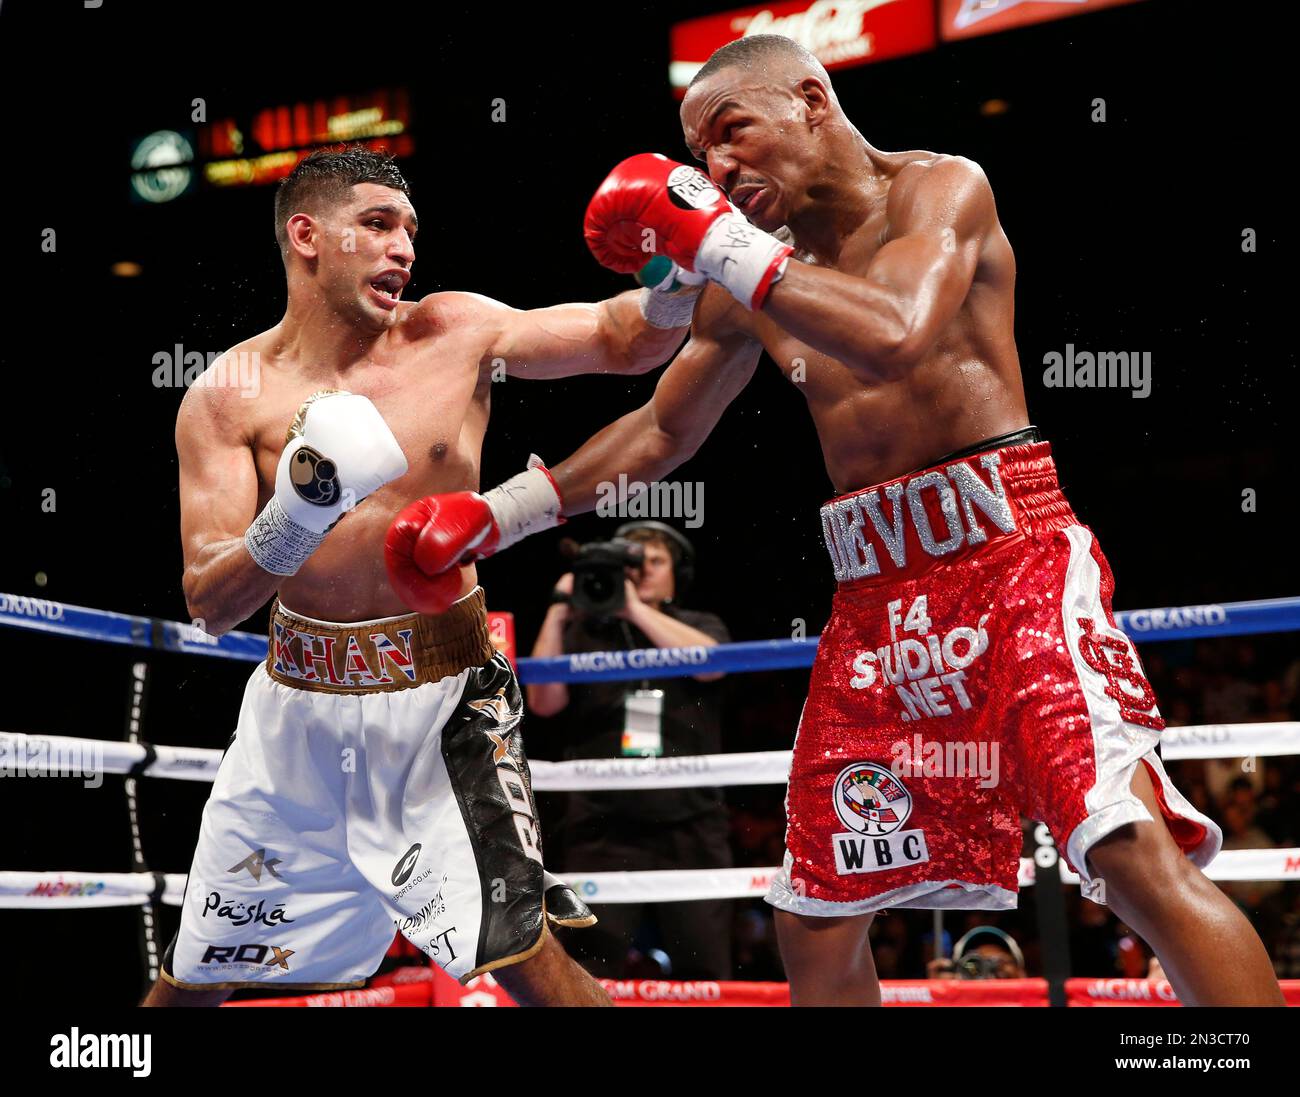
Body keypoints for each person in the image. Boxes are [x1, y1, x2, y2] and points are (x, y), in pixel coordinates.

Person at [392, 35, 1284, 1006]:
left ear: (811, 100)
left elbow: (899, 329)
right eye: (699, 159)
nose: (718, 169)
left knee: (1125, 853)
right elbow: (660, 430)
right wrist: (497, 514)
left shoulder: (940, 190)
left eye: (732, 132)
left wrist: (719, 244)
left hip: (1007, 556)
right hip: (875, 599)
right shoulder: (747, 273)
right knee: (815, 915)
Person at [144, 144, 704, 1007]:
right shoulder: (228, 394)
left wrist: (673, 269)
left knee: (523, 954)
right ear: (306, 235)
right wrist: (303, 508)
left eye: (410, 229)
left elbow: (625, 341)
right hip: (295, 709)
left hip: (443, 696)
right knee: (198, 974)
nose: (404, 247)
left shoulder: (456, 331)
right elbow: (211, 601)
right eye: (376, 225)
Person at [527, 522, 734, 979]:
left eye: (653, 562)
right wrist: (561, 609)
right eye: (631, 562)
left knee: (706, 966)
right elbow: (543, 702)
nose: (640, 571)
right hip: (602, 824)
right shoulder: (582, 632)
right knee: (588, 966)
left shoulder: (699, 624)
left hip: (691, 821)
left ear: (677, 573)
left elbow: (711, 668)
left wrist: (634, 609)